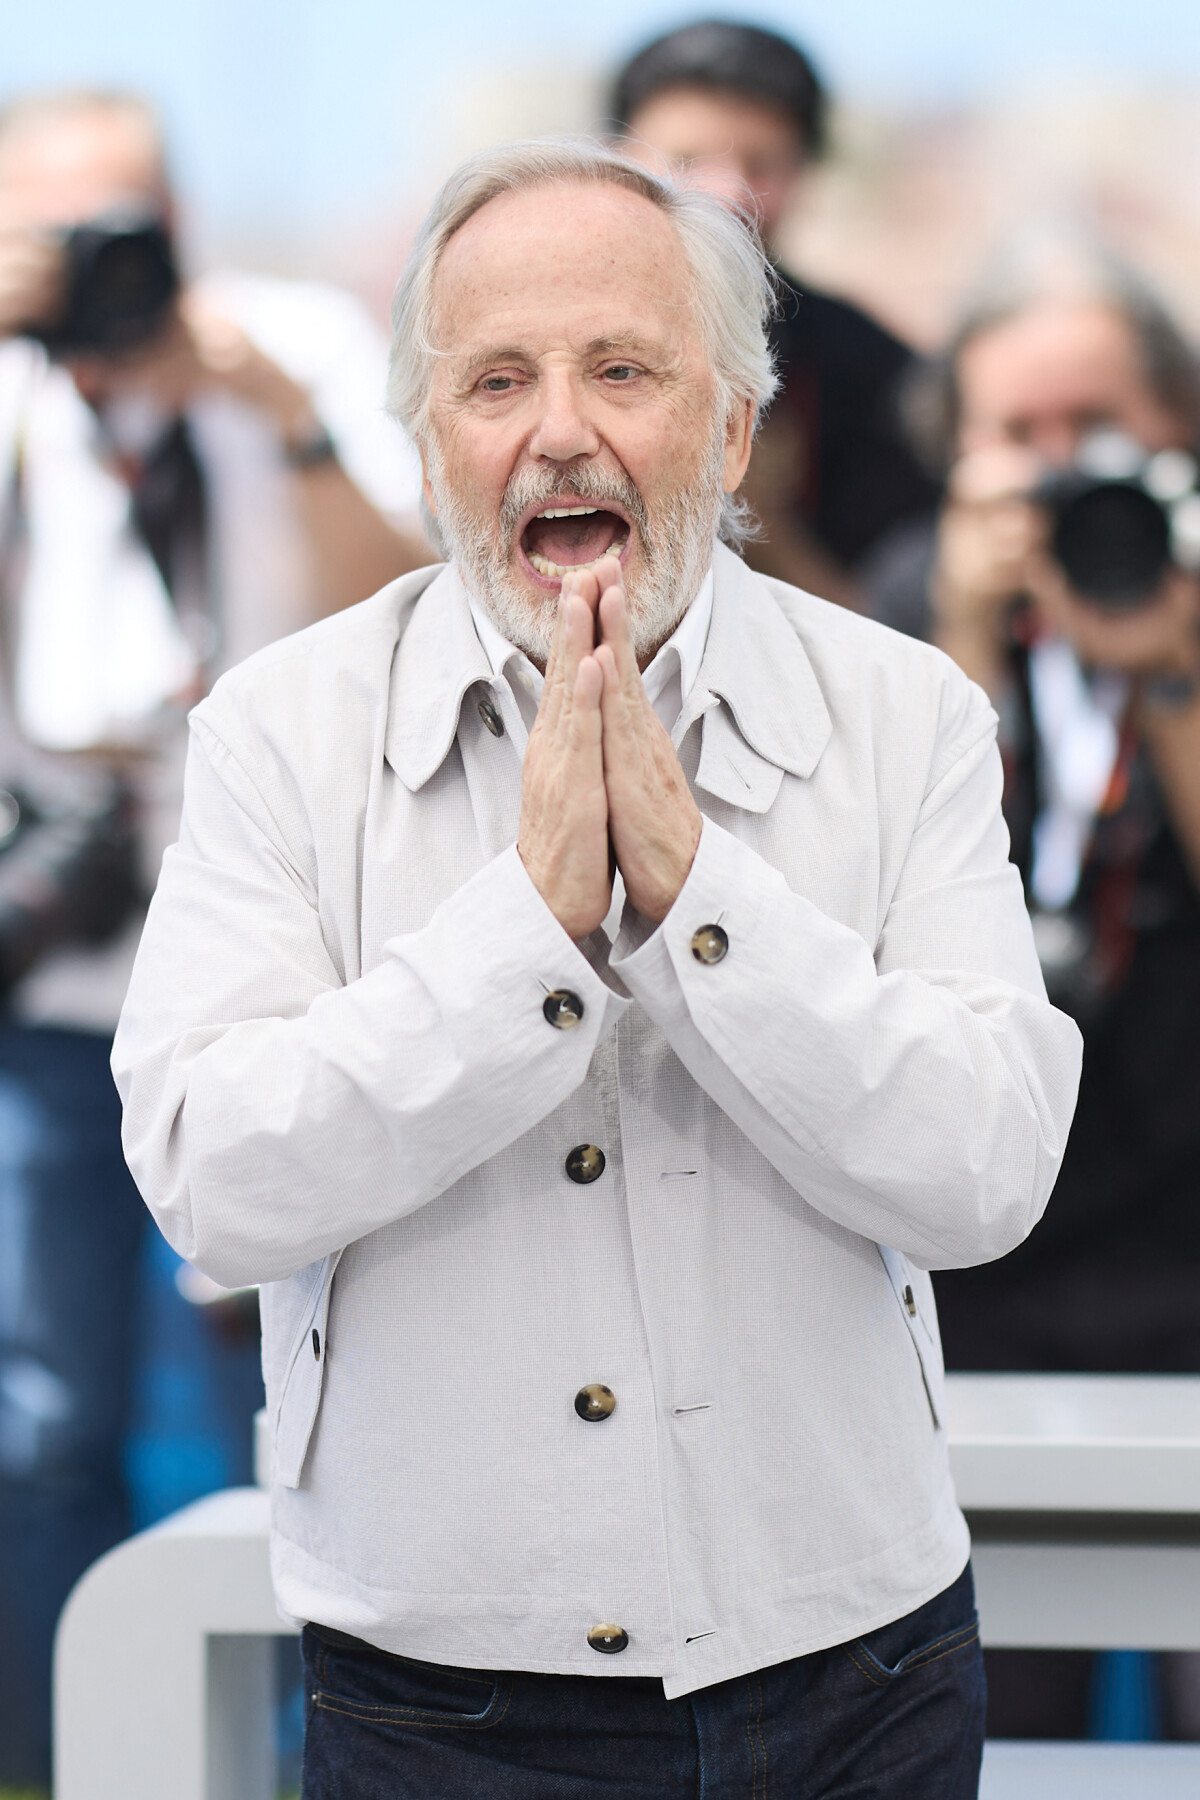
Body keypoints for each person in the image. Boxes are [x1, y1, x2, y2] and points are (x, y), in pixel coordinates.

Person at [114, 140, 1081, 1797]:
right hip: (439, 1698)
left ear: (730, 426)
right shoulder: (282, 731)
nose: (558, 429)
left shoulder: (905, 711)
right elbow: (211, 1180)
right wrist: (523, 935)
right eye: (495, 380)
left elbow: (985, 1172)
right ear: (433, 447)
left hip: (855, 1668)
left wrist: (701, 902)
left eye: (623, 368)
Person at [0, 88, 427, 1785]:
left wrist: (274, 412)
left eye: (124, 222)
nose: (102, 265)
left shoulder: (288, 352)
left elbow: (411, 600)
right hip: (55, 989)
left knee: (306, 1424)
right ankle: (53, 1760)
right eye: (58, 230)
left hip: (285, 980)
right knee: (45, 1422)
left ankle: (297, 1762)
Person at [865, 238, 1200, 1736]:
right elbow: (864, 932)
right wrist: (958, 646)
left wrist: (1171, 672)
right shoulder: (888, 626)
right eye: (1021, 435)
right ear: (959, 456)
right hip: (985, 1272)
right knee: (1000, 1722)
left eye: (1101, 426)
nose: (1066, 472)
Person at [611, 18, 939, 606]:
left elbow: (892, 641)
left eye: (761, 165)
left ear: (806, 175)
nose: (727, 194)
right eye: (686, 160)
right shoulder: (530, 332)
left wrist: (759, 518)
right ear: (614, 159)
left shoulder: (875, 373)